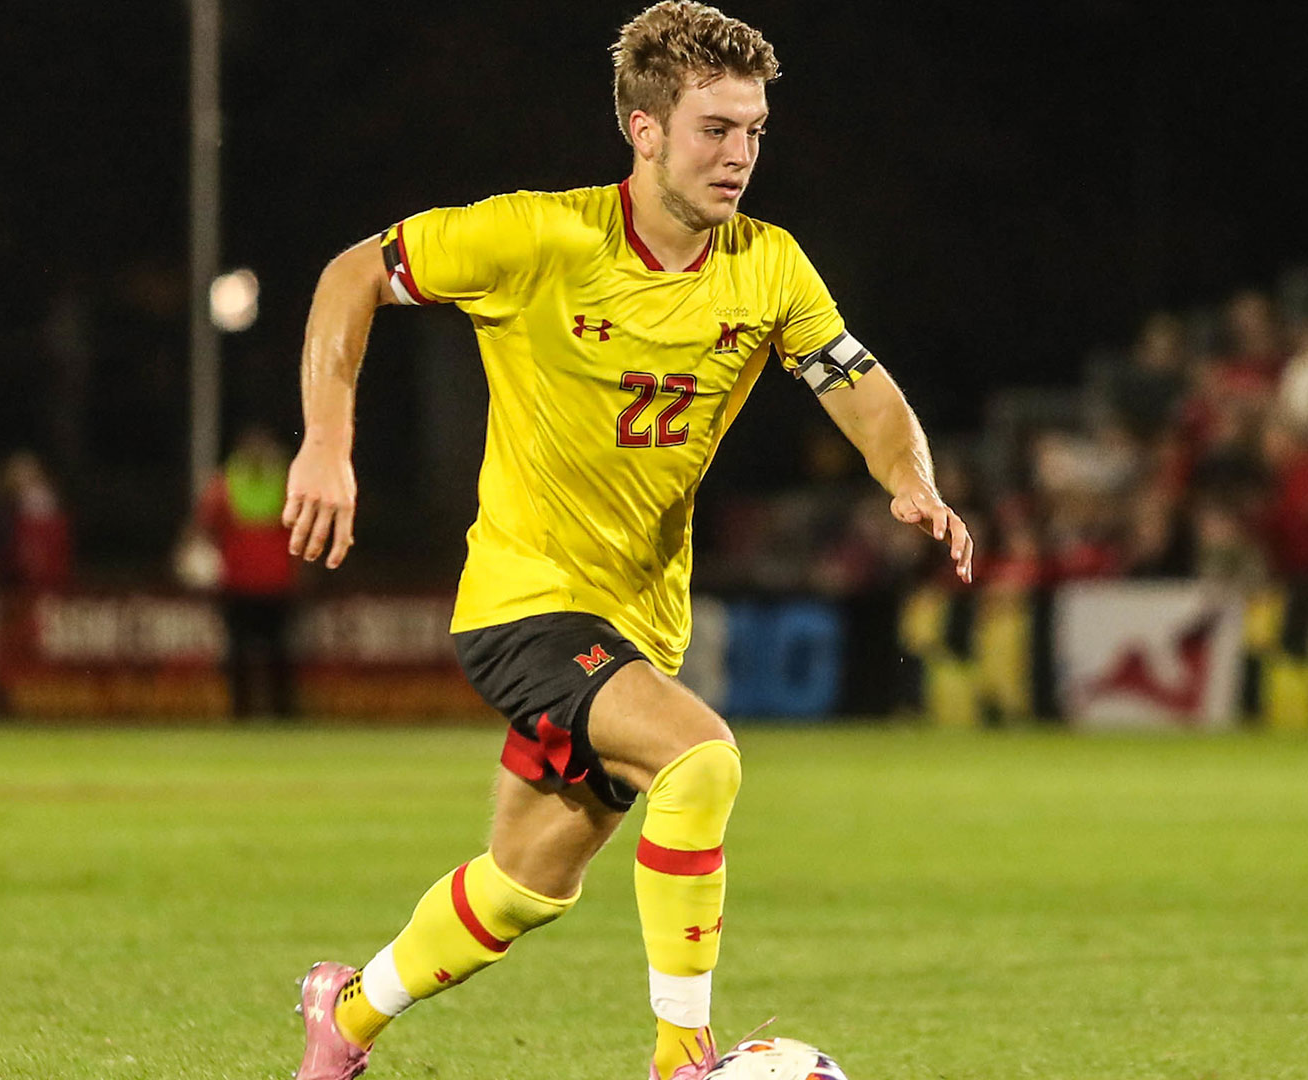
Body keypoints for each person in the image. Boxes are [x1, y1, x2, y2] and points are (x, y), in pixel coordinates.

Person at [280, 4, 972, 1078]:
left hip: (639, 619)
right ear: (644, 130)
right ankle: (682, 1058)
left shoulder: (769, 267)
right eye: (714, 129)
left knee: (524, 885)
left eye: (752, 131)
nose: (739, 154)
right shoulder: (539, 237)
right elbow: (350, 273)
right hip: (526, 600)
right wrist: (328, 442)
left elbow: (857, 382)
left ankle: (346, 1019)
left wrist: (910, 480)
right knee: (700, 761)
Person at [184, 425, 299, 718]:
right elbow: (202, 527)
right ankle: (241, 712)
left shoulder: (289, 482)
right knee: (237, 654)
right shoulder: (226, 483)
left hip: (277, 583)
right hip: (237, 583)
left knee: (279, 654)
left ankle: (281, 712)